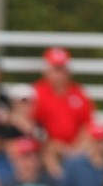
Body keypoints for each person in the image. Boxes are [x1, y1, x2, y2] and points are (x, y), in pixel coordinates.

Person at [32, 47, 94, 177]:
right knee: (49, 154)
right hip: (46, 147)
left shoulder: (78, 93)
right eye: (56, 69)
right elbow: (33, 124)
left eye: (62, 69)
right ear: (47, 70)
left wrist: (76, 148)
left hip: (75, 147)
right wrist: (53, 145)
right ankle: (59, 184)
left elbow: (87, 125)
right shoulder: (37, 93)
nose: (59, 74)